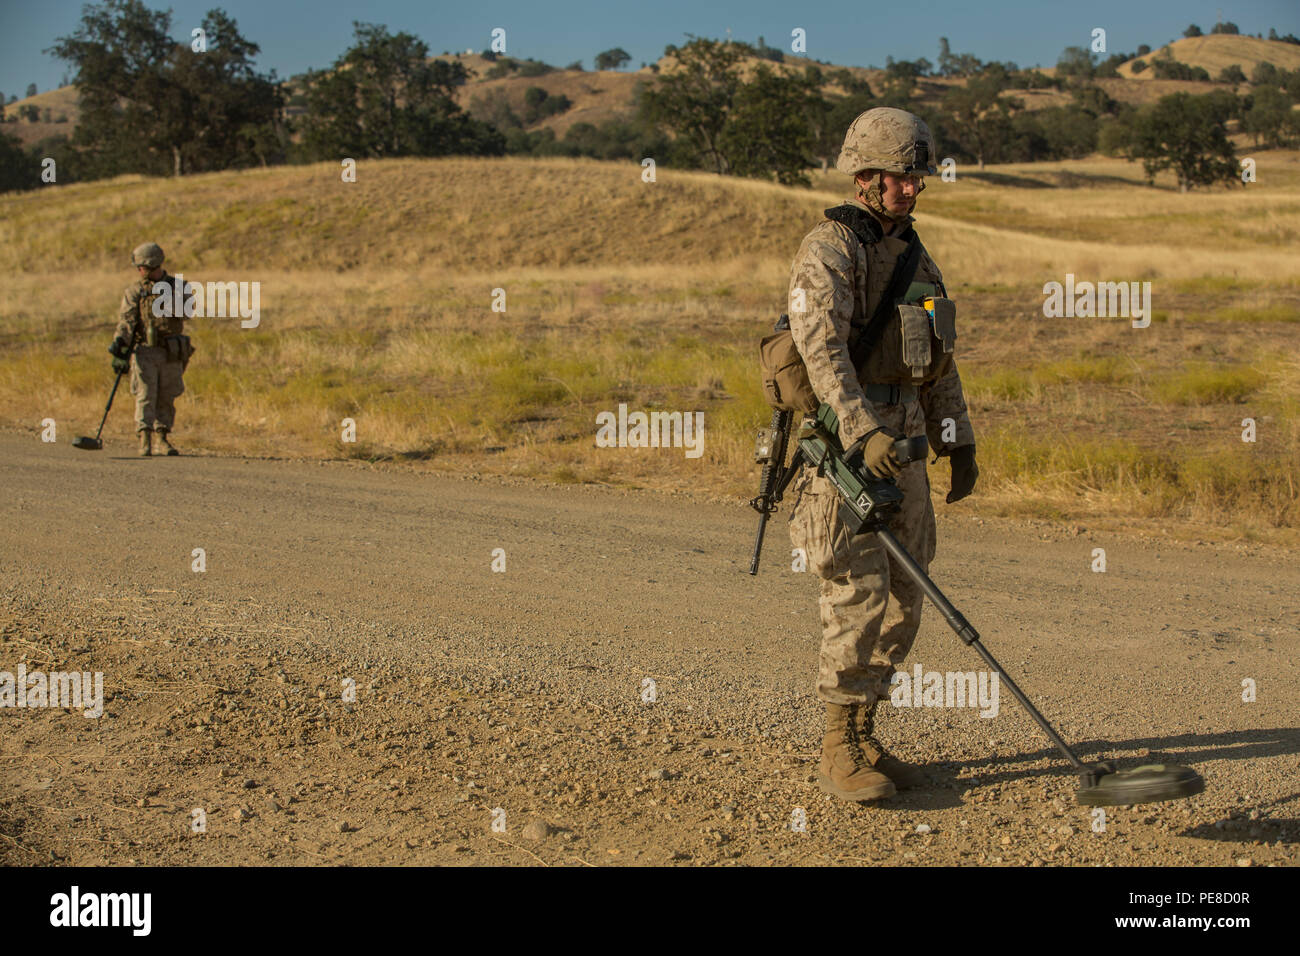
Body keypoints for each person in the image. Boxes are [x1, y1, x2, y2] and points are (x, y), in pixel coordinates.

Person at [785, 108, 979, 801]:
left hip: (907, 449)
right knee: (857, 593)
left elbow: (939, 362)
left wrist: (957, 440)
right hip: (845, 449)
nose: (914, 189)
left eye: (918, 177)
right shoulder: (830, 247)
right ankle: (837, 746)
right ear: (865, 176)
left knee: (908, 598)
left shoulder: (917, 258)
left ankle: (867, 731)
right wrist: (860, 427)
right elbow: (822, 348)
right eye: (902, 177)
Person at [109, 242, 194, 457]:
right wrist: (120, 342)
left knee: (167, 395)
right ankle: (144, 438)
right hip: (145, 351)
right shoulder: (135, 291)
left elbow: (187, 312)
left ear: (153, 265)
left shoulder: (178, 286)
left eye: (142, 267)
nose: (140, 271)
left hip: (171, 351)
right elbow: (126, 321)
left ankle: (163, 438)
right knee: (145, 394)